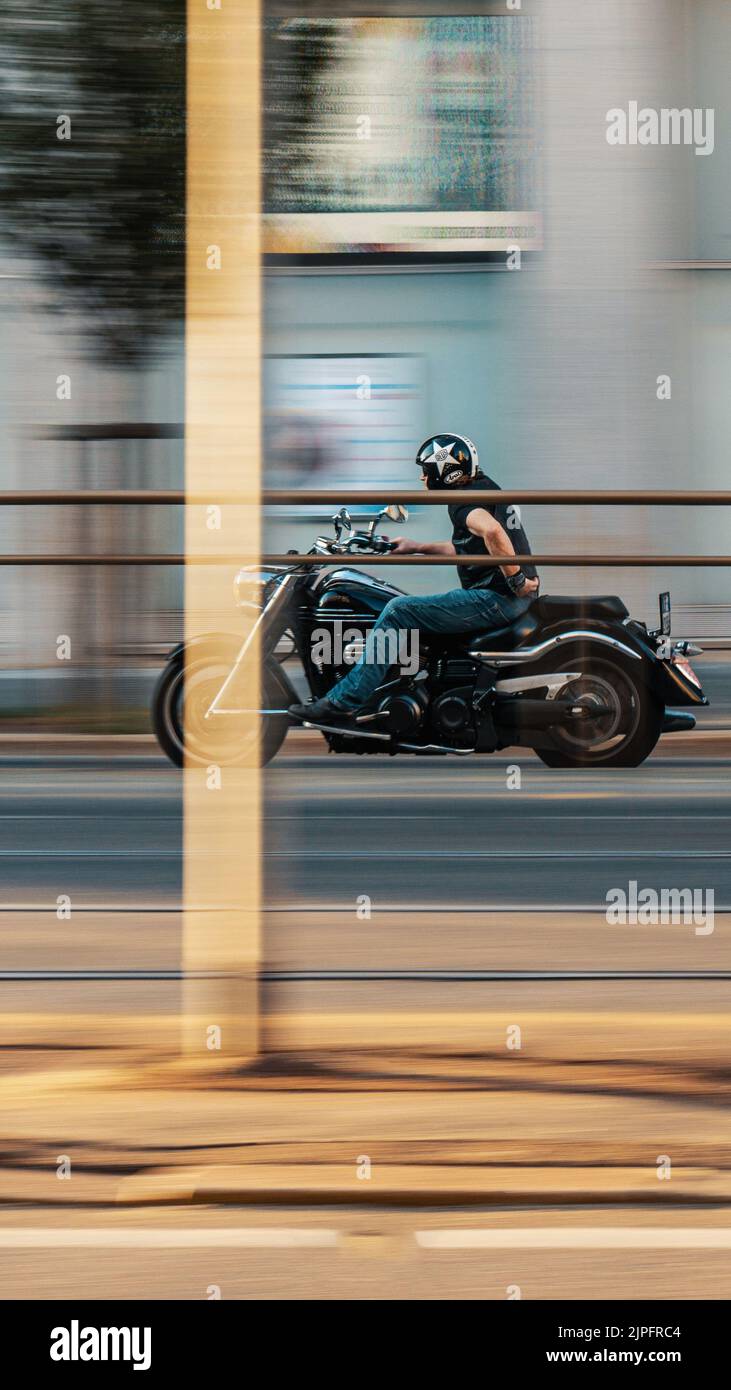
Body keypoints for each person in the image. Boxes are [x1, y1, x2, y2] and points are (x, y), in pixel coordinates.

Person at [288, 432, 540, 724]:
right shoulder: (481, 489)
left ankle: (343, 702)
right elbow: (470, 547)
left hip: (496, 599)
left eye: (426, 471)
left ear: (444, 471)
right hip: (501, 597)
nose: (422, 479)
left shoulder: (464, 503)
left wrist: (517, 580)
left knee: (398, 610)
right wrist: (417, 547)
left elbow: (493, 532)